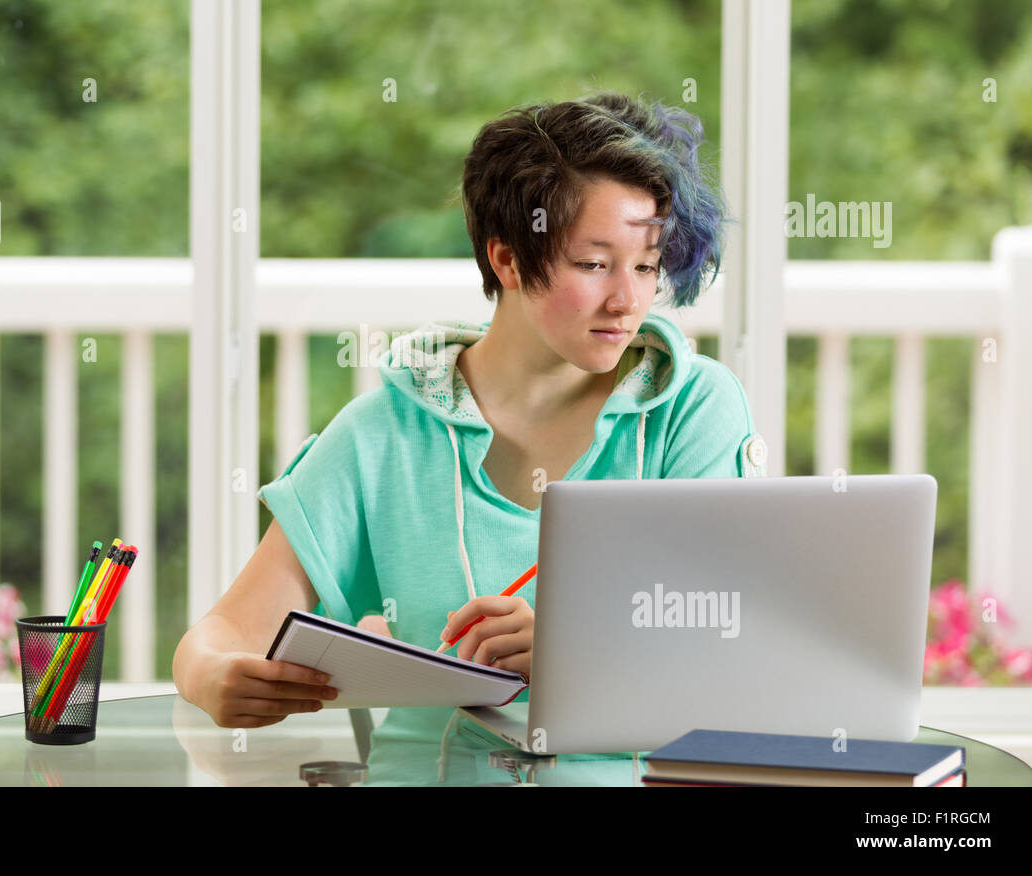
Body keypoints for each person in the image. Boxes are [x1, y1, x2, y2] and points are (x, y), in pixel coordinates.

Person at [172, 90, 768, 745]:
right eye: (594, 264)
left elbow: (728, 639)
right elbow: (221, 635)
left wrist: (577, 648)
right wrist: (212, 679)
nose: (628, 299)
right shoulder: (384, 434)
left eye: (647, 266)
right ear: (507, 258)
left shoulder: (694, 411)